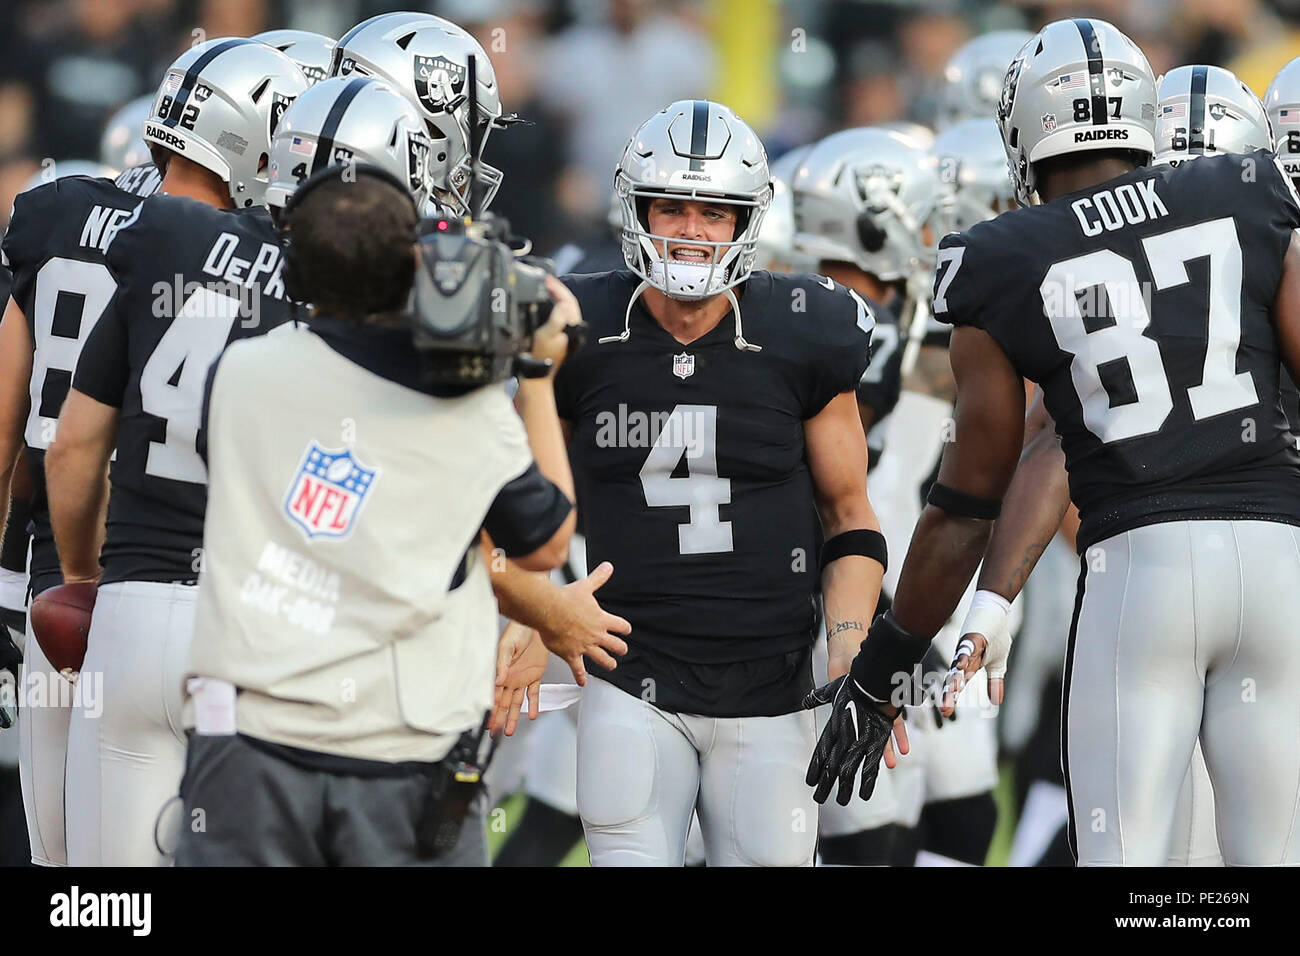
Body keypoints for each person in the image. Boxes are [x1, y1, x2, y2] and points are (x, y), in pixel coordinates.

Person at [814, 18, 1300, 867]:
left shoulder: (1001, 257)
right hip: (1278, 566)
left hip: (1141, 578)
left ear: (1024, 130)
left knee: (1133, 869)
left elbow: (967, 502)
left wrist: (886, 664)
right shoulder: (1250, 187)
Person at [175, 164, 577, 866]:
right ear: (411, 268)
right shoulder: (469, 407)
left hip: (248, 742)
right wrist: (536, 375)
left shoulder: (241, 371)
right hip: (406, 752)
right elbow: (545, 541)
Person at [558, 99, 885, 867]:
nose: (692, 231)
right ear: (636, 208)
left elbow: (849, 517)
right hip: (629, 673)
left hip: (773, 686)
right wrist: (534, 600)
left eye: (715, 212)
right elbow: (520, 486)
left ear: (749, 222)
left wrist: (849, 658)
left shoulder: (806, 329)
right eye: (672, 207)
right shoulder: (574, 320)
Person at [45, 37, 309, 867]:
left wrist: (82, 578)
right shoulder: (307, 274)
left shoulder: (138, 238)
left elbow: (73, 446)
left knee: (103, 900)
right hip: (252, 621)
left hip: (128, 612)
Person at [0, 121, 168, 868]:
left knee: (64, 868)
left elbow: (15, 432)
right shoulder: (241, 249)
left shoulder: (57, 210)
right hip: (180, 577)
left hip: (53, 576)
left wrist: (21, 579)